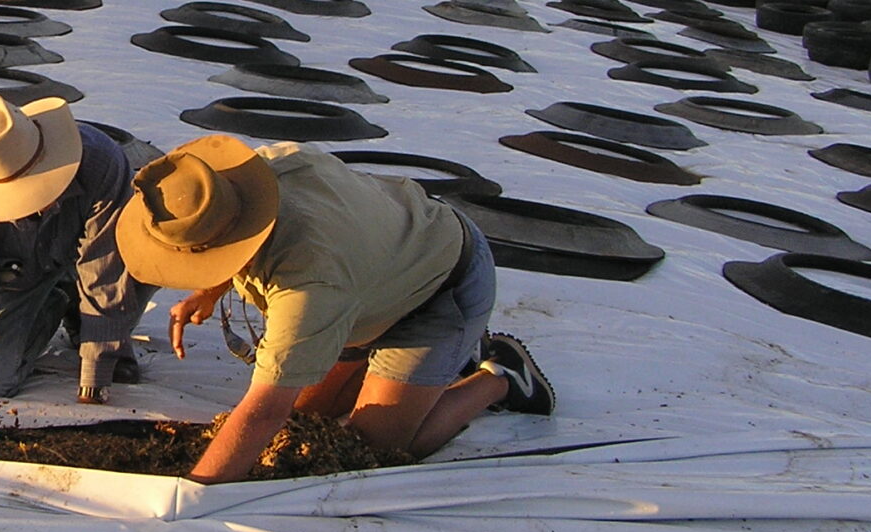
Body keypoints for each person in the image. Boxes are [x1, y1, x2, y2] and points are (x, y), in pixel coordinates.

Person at [117, 135, 553, 483]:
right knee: (307, 420)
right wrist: (209, 289)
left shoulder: (309, 281)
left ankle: (499, 377)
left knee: (372, 450)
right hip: (376, 278)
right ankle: (425, 373)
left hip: (441, 289)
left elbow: (265, 409)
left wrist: (198, 491)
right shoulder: (257, 173)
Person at [0, 95, 152, 401]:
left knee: (157, 244)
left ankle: (95, 329)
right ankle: (57, 304)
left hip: (95, 258)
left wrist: (96, 371)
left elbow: (105, 265)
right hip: (21, 278)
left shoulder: (102, 162)